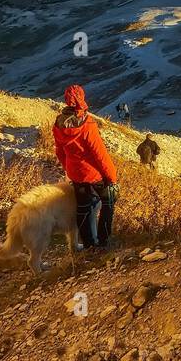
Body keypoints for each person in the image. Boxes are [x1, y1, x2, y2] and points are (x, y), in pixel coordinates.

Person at [52, 85, 118, 249]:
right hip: (93, 174)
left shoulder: (59, 123)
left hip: (76, 174)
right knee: (108, 202)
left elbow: (60, 151)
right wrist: (112, 177)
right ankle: (103, 242)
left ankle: (89, 244)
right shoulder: (87, 124)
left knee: (83, 207)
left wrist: (69, 169)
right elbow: (100, 154)